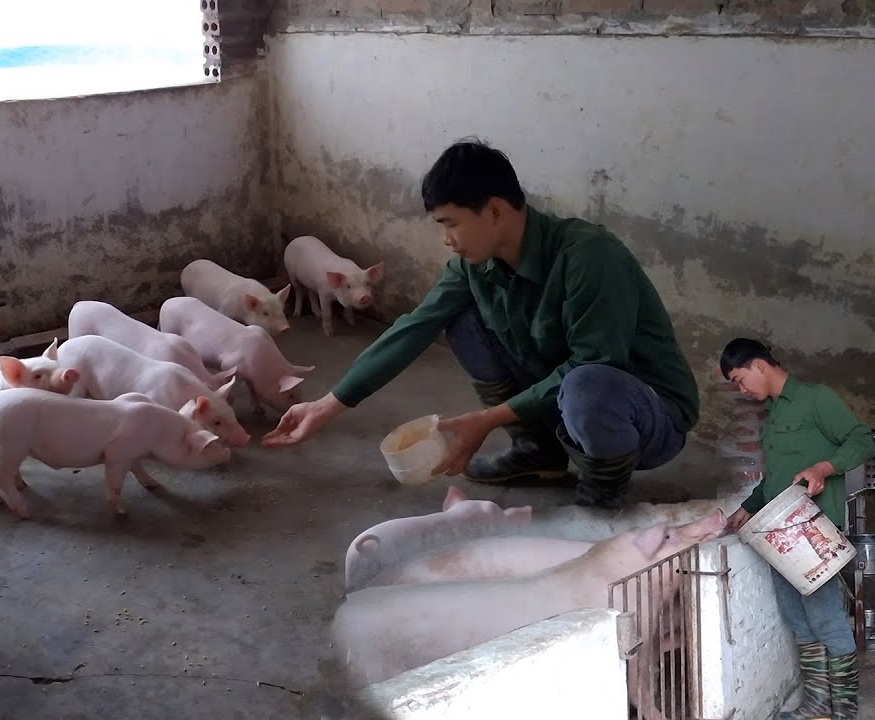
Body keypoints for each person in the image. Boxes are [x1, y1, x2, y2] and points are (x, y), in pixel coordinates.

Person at [262, 139, 700, 510]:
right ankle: (536, 450)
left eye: (450, 223)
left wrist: (485, 419)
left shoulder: (590, 256)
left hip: (646, 416)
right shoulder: (475, 266)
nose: (446, 238)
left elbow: (598, 362)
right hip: (565, 403)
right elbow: (413, 328)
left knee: (587, 384)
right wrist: (327, 405)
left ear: (493, 211)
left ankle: (602, 496)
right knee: (462, 320)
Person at [722, 338, 870, 720]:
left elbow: (861, 439)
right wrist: (747, 508)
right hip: (777, 535)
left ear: (759, 365)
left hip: (813, 532)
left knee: (826, 620)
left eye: (739, 379)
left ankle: (846, 711)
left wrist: (825, 468)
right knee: (798, 621)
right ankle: (819, 707)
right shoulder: (773, 417)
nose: (741, 389)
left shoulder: (816, 399)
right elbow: (774, 482)